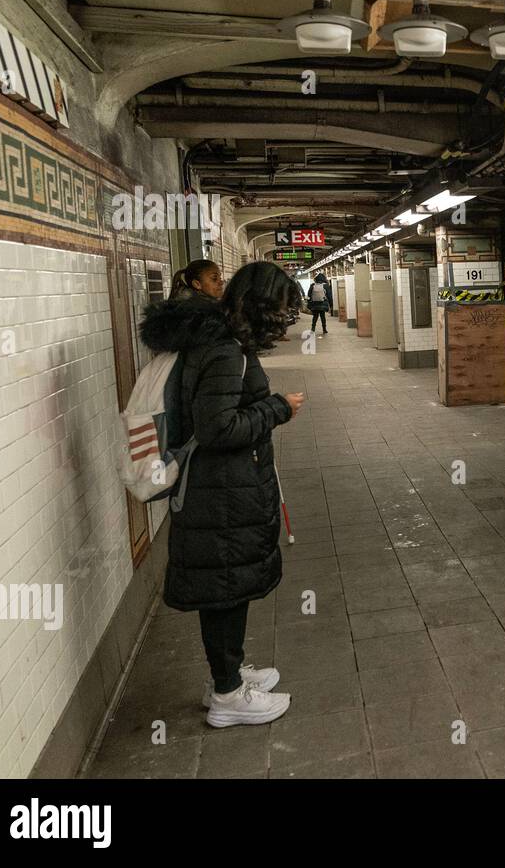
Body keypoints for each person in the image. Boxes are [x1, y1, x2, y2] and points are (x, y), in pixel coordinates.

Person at [140, 261, 306, 727]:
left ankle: (229, 672)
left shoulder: (217, 340)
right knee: (225, 588)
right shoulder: (224, 349)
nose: (282, 320)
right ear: (260, 306)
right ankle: (229, 696)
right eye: (279, 310)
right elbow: (217, 428)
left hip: (223, 487)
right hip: (220, 491)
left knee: (229, 586)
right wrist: (278, 408)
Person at [306, 272, 333, 337]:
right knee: (322, 316)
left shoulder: (312, 285)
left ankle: (313, 329)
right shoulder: (325, 285)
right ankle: (324, 329)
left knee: (315, 316)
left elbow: (309, 295)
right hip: (323, 303)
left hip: (315, 304)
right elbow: (329, 295)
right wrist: (331, 304)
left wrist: (309, 302)